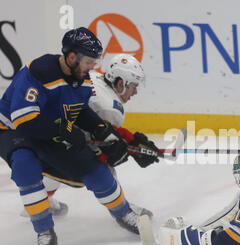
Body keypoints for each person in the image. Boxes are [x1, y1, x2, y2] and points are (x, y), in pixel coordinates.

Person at [0, 27, 148, 245]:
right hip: (13, 130)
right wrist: (66, 133)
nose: (92, 66)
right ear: (71, 57)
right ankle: (44, 232)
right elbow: (23, 120)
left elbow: (76, 111)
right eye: (88, 61)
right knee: (25, 167)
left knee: (96, 173)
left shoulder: (81, 78)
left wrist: (101, 129)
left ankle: (124, 213)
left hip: (48, 130)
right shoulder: (39, 71)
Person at [35, 53, 160, 217]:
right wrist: (124, 152)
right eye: (134, 86)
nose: (135, 92)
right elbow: (98, 144)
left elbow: (102, 127)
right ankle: (122, 211)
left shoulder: (93, 77)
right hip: (50, 145)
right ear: (121, 83)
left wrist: (131, 140)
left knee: (64, 156)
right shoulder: (110, 107)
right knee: (102, 169)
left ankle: (40, 199)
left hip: (38, 132)